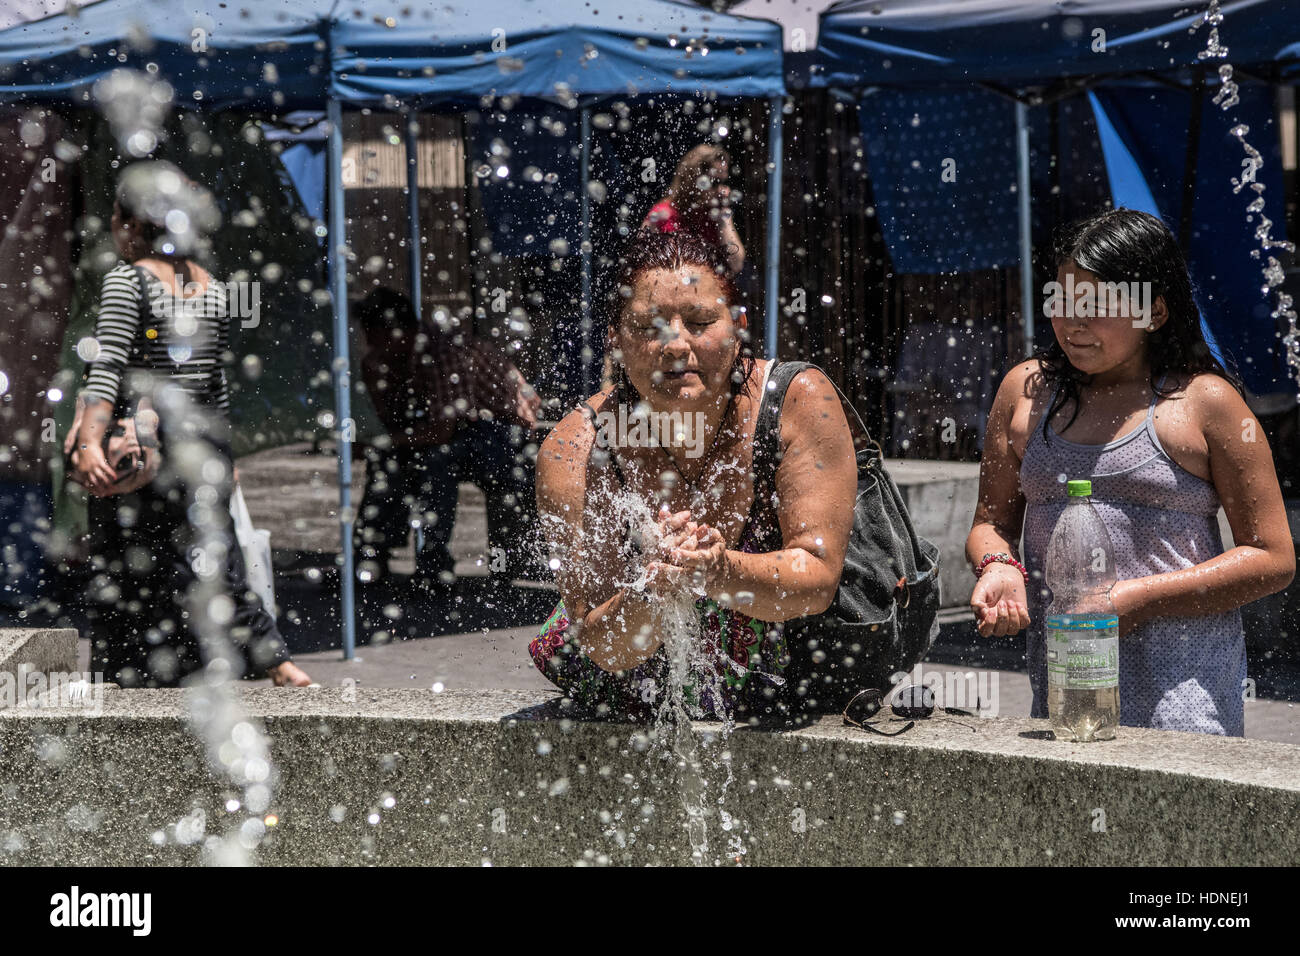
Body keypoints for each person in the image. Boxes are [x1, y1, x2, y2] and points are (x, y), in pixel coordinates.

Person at [966, 208, 1295, 736]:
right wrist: (998, 564)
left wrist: (1135, 600)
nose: (1074, 323)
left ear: (1156, 312)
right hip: (1068, 693)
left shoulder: (1203, 403)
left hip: (1186, 702)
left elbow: (1273, 557)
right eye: (1063, 301)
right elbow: (991, 522)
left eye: (1097, 305)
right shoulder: (1026, 393)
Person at [528, 232, 858, 723]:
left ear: (738, 327)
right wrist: (653, 590)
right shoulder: (577, 447)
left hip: (794, 672)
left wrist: (718, 571)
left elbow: (816, 579)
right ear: (615, 342)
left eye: (701, 322)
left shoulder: (799, 401)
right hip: (634, 691)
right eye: (648, 326)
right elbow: (601, 642)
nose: (675, 345)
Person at [72, 161, 312, 688]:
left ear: (131, 225)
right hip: (198, 449)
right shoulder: (210, 286)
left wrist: (89, 440)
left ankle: (124, 700)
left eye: (115, 217)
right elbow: (213, 386)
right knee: (206, 562)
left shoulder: (126, 280)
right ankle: (265, 659)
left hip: (143, 452)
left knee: (126, 579)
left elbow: (106, 366)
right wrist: (226, 459)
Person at [355, 287, 543, 587]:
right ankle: (370, 552)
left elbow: (441, 431)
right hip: (464, 432)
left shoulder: (441, 351)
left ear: (398, 331)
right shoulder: (385, 361)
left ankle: (434, 561)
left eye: (373, 334)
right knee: (391, 458)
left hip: (506, 433)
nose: (369, 343)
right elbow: (398, 427)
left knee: (436, 458)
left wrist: (385, 441)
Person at [642, 144, 745, 276]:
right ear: (694, 179)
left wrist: (724, 221)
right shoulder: (663, 213)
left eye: (725, 182)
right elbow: (640, 263)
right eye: (715, 182)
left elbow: (736, 265)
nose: (723, 190)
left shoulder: (718, 215)